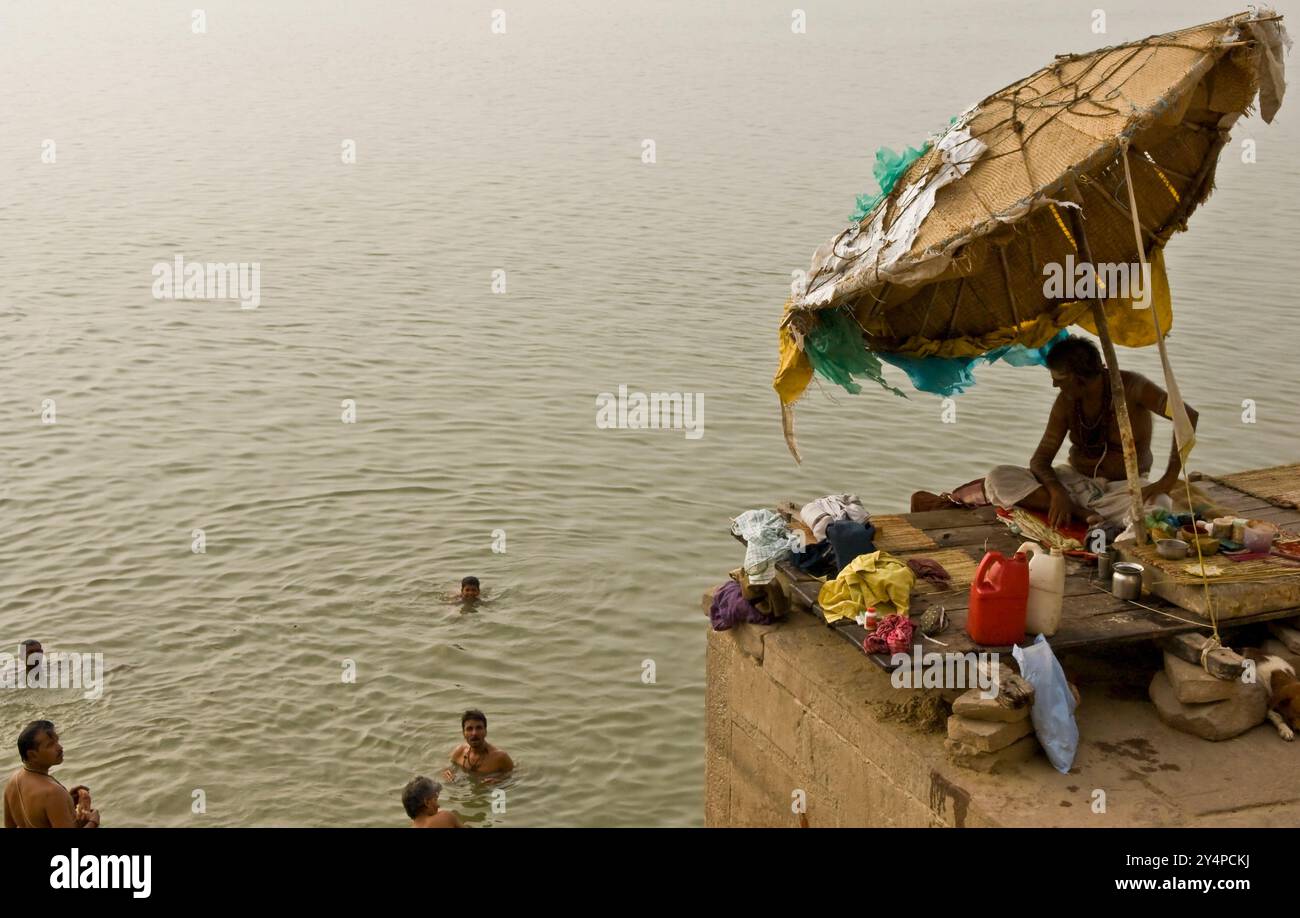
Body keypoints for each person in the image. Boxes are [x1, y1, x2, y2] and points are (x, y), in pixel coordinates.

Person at [985, 335, 1197, 530]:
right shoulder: (1065, 402)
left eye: (1060, 379)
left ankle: (1100, 518)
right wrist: (1057, 492)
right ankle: (1081, 514)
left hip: (1124, 489)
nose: (1053, 384)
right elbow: (1040, 460)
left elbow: (1186, 415)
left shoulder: (1132, 387)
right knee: (998, 478)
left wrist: (1168, 478)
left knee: (1158, 510)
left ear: (1080, 379)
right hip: (1075, 483)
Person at [3, 721, 100, 828]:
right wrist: (93, 821)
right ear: (32, 755)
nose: (59, 747)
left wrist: (67, 799)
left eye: (57, 741)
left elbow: (9, 825)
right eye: (50, 745)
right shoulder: (53, 793)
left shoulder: (13, 780)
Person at [442, 709, 513, 783]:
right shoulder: (459, 751)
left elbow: (516, 778)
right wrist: (447, 774)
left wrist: (499, 782)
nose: (474, 733)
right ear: (463, 733)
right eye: (469, 729)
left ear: (485, 731)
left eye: (478, 728)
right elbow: (446, 767)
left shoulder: (500, 757)